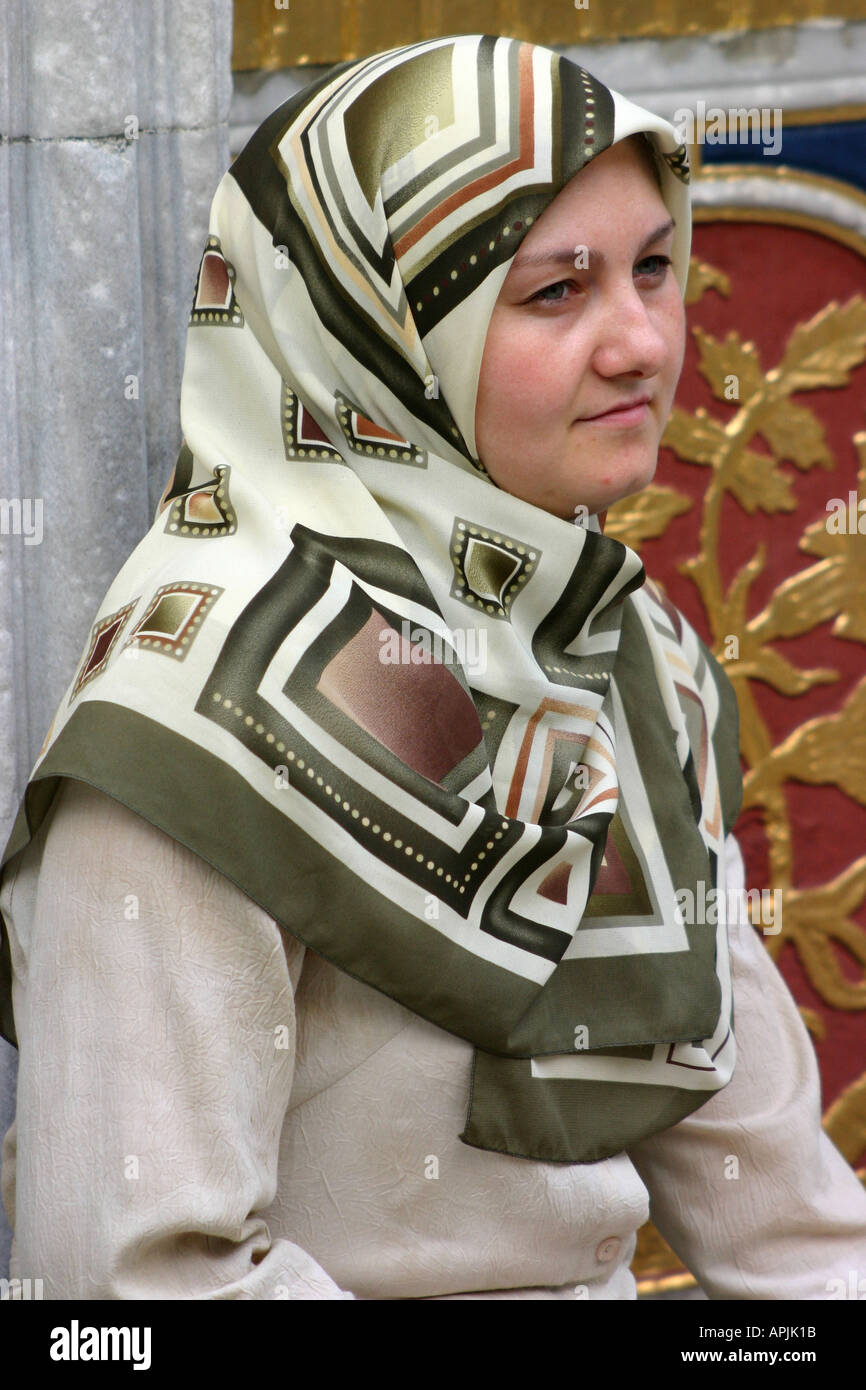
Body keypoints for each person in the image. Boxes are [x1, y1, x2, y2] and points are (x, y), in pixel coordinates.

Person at [1, 33, 865, 1301]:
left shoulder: (624, 660)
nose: (639, 342)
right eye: (555, 291)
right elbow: (123, 1291)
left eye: (654, 268)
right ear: (379, 327)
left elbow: (785, 1226)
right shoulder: (194, 724)